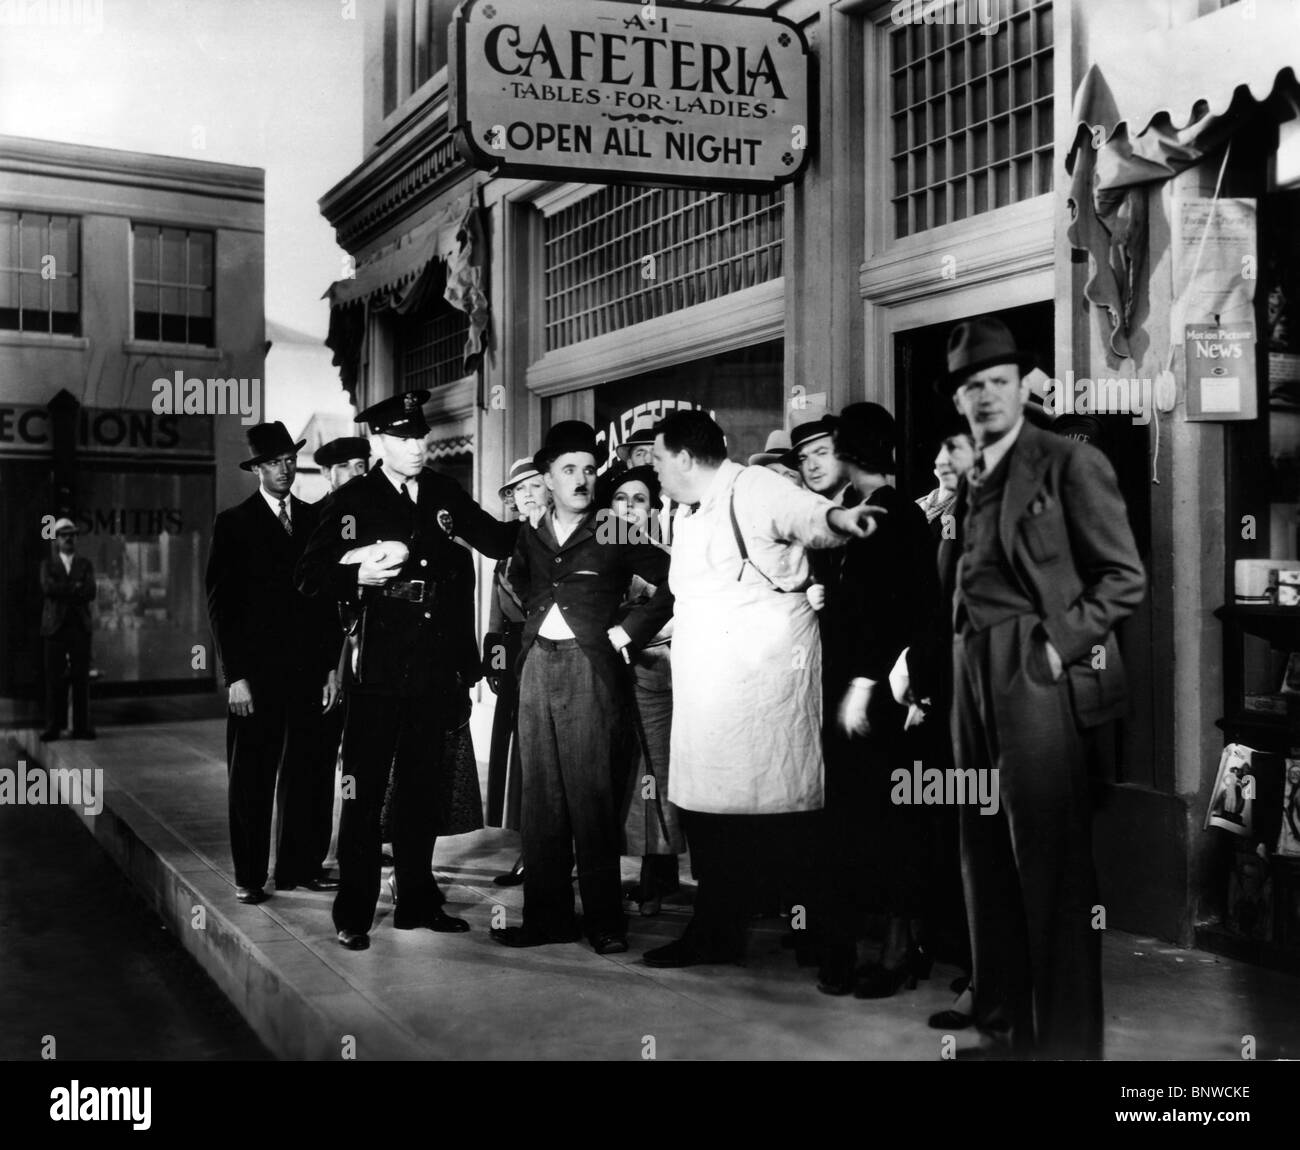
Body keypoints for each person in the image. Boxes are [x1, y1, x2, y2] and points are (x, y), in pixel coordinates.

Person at [936, 315, 1145, 1059]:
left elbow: (1124, 578)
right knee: (980, 852)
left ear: (1018, 386)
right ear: (959, 401)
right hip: (971, 674)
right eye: (971, 387)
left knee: (1051, 868)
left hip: (1034, 671)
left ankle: (1064, 1047)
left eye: (997, 382)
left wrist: (1057, 649)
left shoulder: (1065, 462)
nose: (986, 397)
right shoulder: (970, 477)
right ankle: (1000, 1029)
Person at [643, 410, 886, 969]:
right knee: (711, 816)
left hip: (763, 686)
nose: (653, 468)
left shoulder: (754, 487)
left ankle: (824, 939)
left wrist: (843, 519)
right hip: (710, 691)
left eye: (657, 457)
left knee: (782, 814)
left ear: (683, 456)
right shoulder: (690, 510)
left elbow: (811, 517)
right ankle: (716, 932)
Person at [295, 389, 515, 951]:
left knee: (422, 791)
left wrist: (548, 510)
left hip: (435, 669)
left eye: (420, 436)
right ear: (378, 442)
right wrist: (356, 578)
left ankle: (417, 902)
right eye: (402, 438)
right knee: (364, 794)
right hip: (379, 670)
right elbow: (309, 575)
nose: (416, 447)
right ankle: (354, 913)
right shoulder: (354, 500)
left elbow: (496, 539)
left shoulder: (444, 492)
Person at [490, 421, 673, 956]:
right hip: (535, 669)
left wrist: (628, 630)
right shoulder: (530, 529)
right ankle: (546, 918)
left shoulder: (613, 527)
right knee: (540, 801)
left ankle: (605, 921)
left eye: (590, 470)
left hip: (590, 669)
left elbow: (675, 579)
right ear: (546, 478)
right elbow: (521, 584)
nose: (582, 479)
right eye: (569, 470)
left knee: (591, 797)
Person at [813, 404, 939, 998]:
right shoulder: (882, 512)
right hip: (865, 689)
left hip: (878, 694)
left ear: (849, 450)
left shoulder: (893, 516)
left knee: (886, 822)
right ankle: (887, 946)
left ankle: (896, 950)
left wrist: (865, 683)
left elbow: (901, 611)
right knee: (871, 822)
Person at [205, 422, 342, 905]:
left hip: (308, 672)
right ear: (257, 469)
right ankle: (248, 876)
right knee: (252, 776)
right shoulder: (234, 523)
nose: (283, 469)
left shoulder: (312, 521)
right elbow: (221, 606)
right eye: (273, 462)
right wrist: (234, 676)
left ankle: (299, 868)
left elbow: (326, 603)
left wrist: (330, 668)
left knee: (308, 771)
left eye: (288, 460)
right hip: (257, 676)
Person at [606, 465, 684, 916]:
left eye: (639, 500)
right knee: (621, 774)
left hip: (656, 671)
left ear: (654, 509)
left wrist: (630, 628)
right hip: (612, 674)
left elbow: (680, 610)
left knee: (655, 772)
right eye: (621, 499)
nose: (629, 508)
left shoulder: (667, 554)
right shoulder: (604, 551)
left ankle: (657, 876)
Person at [484, 457, 548, 887]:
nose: (524, 494)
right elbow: (496, 618)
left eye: (533, 485)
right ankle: (532, 848)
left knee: (546, 755)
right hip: (514, 656)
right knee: (520, 756)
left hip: (549, 650)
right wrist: (495, 661)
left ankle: (549, 853)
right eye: (517, 489)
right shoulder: (508, 545)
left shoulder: (558, 539)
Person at [39, 518, 96, 742]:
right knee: (54, 680)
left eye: (72, 534)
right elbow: (48, 588)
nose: (68, 538)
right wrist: (75, 588)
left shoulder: (85, 564)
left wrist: (65, 590)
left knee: (81, 679)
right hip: (54, 629)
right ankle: (53, 728)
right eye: (64, 535)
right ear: (56, 539)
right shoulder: (48, 564)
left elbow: (90, 591)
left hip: (79, 627)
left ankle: (81, 728)